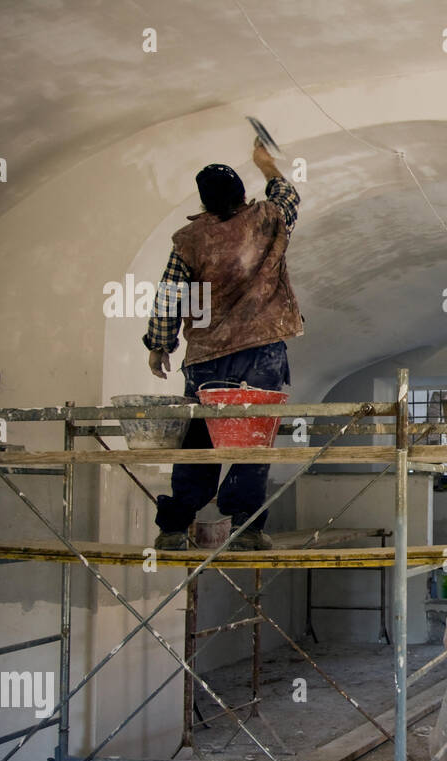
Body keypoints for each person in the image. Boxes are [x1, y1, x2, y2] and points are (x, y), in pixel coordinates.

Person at [142, 139, 303, 551]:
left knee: (198, 441)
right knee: (252, 442)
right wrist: (265, 163)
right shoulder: (268, 219)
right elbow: (288, 195)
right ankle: (246, 529)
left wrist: (160, 345)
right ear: (242, 195)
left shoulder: (190, 239)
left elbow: (170, 295)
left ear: (204, 202)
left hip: (207, 358)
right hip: (261, 352)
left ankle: (174, 527)